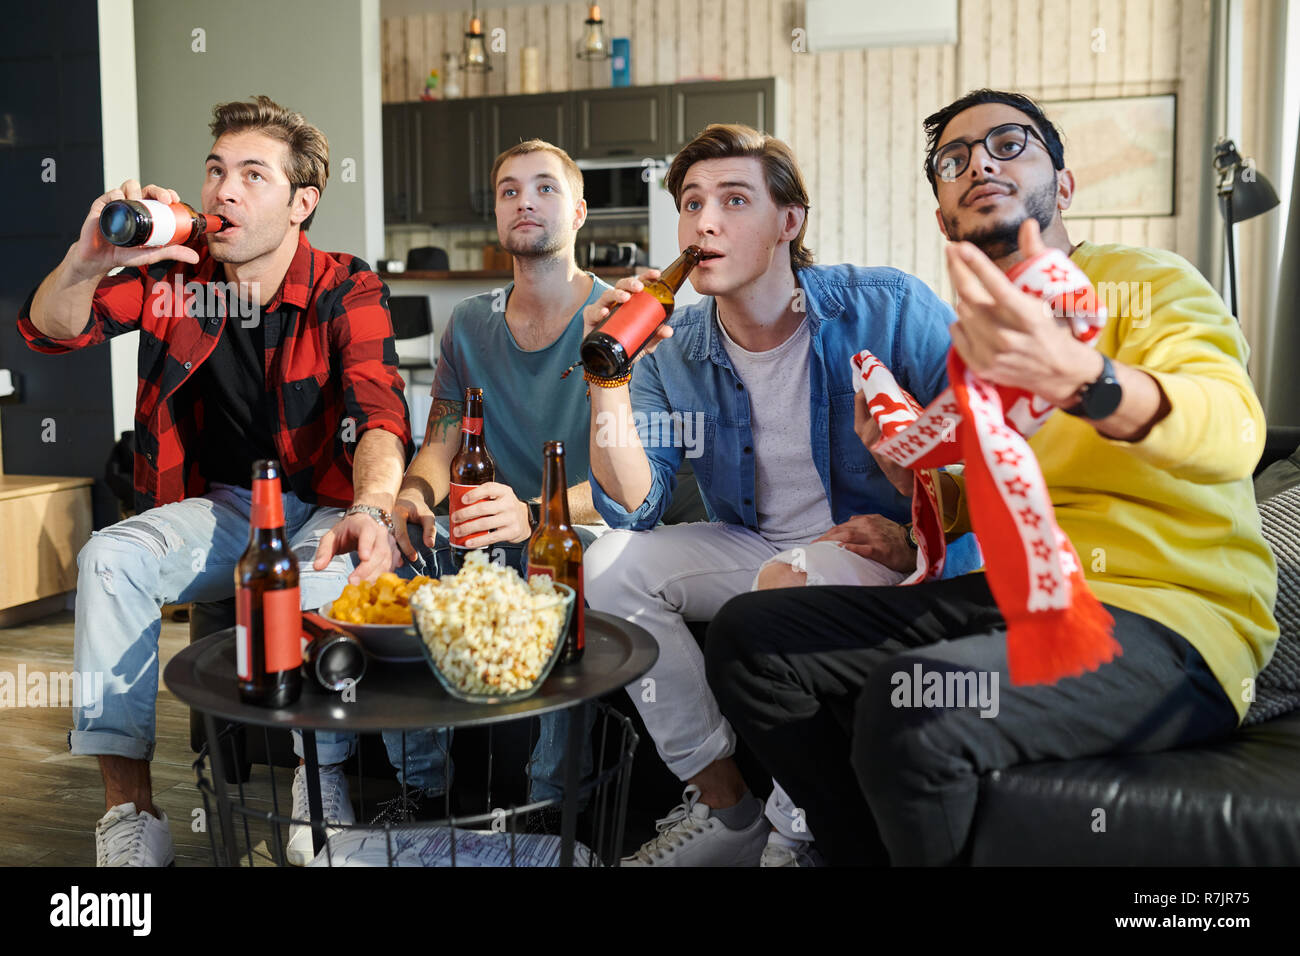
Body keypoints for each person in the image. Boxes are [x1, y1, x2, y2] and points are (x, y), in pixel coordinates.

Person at [704, 89, 1279, 865]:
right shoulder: (977, 349)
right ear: (945, 219)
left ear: (1063, 187)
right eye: (954, 160)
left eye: (1010, 144)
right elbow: (997, 497)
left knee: (914, 705)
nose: (979, 162)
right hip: (1023, 599)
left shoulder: (1149, 283)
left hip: (1166, 618)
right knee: (750, 638)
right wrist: (910, 488)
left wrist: (1091, 380)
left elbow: (1233, 432)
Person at [19, 96, 413, 867]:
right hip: (229, 508)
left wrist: (371, 506)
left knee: (315, 577)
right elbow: (52, 328)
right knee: (109, 556)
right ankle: (130, 814)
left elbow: (382, 416)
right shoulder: (176, 276)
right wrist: (88, 258)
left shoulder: (347, 288)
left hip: (328, 504)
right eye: (216, 170)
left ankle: (317, 788)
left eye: (252, 175)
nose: (224, 191)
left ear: (302, 202)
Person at [580, 124, 980, 866]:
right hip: (758, 541)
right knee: (607, 566)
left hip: (877, 546)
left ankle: (798, 834)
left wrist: (923, 540)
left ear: (788, 223)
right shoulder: (683, 346)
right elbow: (636, 504)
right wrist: (611, 382)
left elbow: (991, 449)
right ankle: (727, 810)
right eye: (692, 203)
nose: (706, 222)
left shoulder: (887, 307)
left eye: (735, 200)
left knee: (779, 589)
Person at [375, 139, 610, 826]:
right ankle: (421, 790)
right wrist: (411, 499)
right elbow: (439, 445)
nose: (524, 201)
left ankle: (548, 802)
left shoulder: (614, 320)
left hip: (576, 528)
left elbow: (632, 484)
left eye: (543, 188)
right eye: (509, 190)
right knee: (394, 577)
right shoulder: (470, 324)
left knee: (556, 577)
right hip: (484, 530)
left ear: (578, 212)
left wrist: (536, 513)